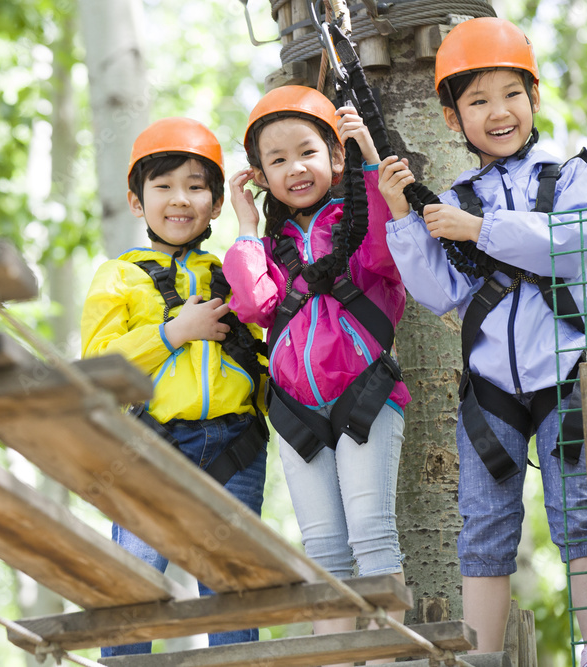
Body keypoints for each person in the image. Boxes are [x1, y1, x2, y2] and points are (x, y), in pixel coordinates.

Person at [378, 17, 587, 667]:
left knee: (580, 513)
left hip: (562, 373)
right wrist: (406, 219)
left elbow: (573, 245)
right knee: (482, 527)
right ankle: (482, 658)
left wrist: (479, 229)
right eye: (477, 100)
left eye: (510, 93)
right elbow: (442, 291)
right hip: (491, 391)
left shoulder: (567, 178)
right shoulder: (456, 198)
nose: (497, 111)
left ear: (534, 100)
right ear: (454, 119)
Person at [224, 85, 410, 667]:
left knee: (372, 535)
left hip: (365, 397)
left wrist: (372, 161)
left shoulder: (356, 217)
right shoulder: (273, 244)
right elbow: (254, 306)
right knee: (323, 550)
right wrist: (248, 225)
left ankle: (382, 659)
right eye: (276, 161)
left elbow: (388, 251)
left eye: (306, 152)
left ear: (333, 156)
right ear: (262, 176)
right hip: (296, 411)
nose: (293, 169)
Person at [81, 117, 270, 657]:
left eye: (195, 186)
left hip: (235, 443)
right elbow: (96, 365)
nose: (179, 199)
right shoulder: (117, 276)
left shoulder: (233, 270)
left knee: (233, 586)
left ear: (214, 203)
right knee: (135, 582)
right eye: (163, 186)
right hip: (148, 446)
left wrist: (248, 224)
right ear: (137, 202)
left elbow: (267, 316)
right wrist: (171, 333)